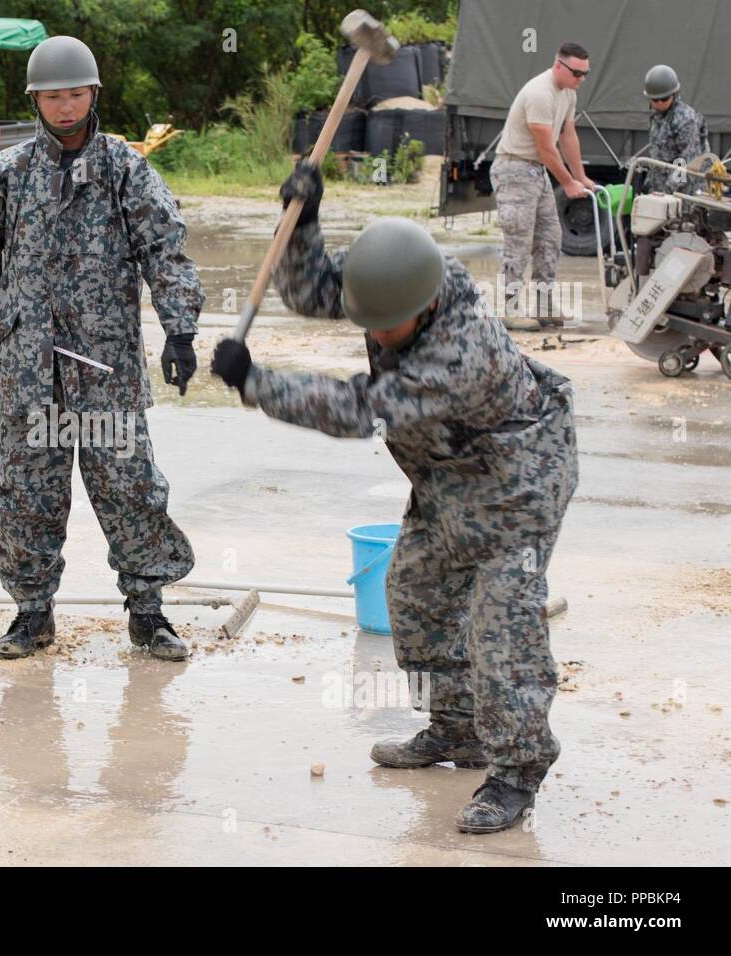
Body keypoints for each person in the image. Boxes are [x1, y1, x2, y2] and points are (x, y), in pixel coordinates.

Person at [211, 160, 579, 833]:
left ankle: (516, 774)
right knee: (413, 599)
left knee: (503, 631)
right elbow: (317, 292)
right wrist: (304, 225)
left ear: (428, 305)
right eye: (372, 325)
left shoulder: (461, 356)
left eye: (389, 328)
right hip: (448, 474)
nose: (377, 335)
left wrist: (258, 384)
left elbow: (359, 410)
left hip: (517, 484)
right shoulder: (400, 275)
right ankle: (458, 731)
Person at [0, 36, 202, 662]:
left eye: (75, 94)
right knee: (27, 492)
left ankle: (148, 612)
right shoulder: (5, 175)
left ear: (94, 95)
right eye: (53, 96)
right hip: (30, 370)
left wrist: (180, 328)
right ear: (35, 99)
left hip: (105, 368)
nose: (65, 106)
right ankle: (32, 614)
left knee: (130, 487)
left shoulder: (125, 169)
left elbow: (165, 251)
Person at [490, 42, 594, 331]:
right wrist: (568, 183)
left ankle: (545, 304)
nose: (581, 79)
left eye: (585, 74)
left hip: (535, 171)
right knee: (518, 242)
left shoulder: (568, 93)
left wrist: (580, 176)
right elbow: (546, 148)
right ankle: (509, 310)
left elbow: (568, 136)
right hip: (514, 169)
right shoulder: (540, 93)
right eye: (577, 73)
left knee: (550, 238)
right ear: (559, 65)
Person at [643, 64, 708, 194]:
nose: (659, 103)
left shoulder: (686, 119)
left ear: (674, 94)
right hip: (660, 190)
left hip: (683, 195)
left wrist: (667, 190)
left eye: (664, 98)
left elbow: (688, 163)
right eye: (655, 100)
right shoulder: (656, 115)